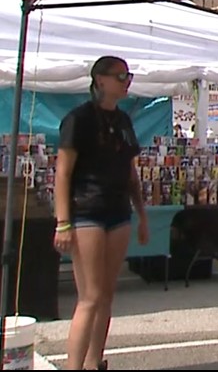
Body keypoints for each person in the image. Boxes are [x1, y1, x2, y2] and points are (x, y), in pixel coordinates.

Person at [53, 56, 149, 370]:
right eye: (121, 76)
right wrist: (63, 222)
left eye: (129, 75)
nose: (127, 81)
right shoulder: (78, 119)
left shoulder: (123, 121)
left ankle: (94, 362)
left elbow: (131, 173)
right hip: (87, 211)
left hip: (118, 212)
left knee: (106, 295)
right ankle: (73, 366)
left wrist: (142, 216)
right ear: (101, 80)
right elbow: (63, 173)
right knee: (90, 297)